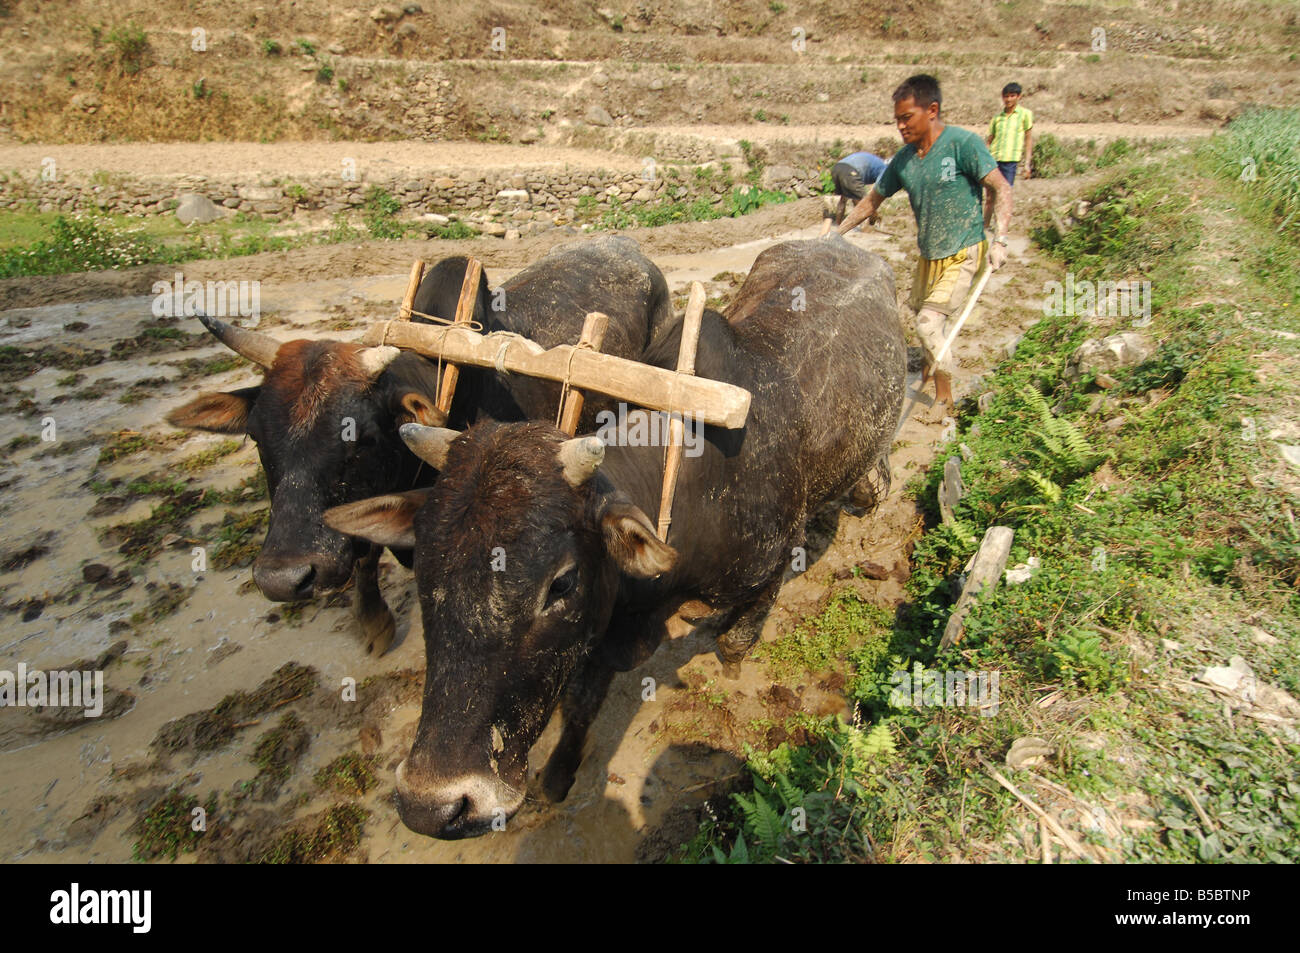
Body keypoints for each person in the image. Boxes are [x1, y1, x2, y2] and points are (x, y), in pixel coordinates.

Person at [837, 74, 1013, 417]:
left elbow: (1001, 187)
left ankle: (945, 398)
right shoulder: (904, 160)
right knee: (921, 315)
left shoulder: (963, 144)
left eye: (907, 118)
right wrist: (836, 234)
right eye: (897, 120)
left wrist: (1000, 239)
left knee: (929, 324)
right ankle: (935, 373)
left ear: (931, 110)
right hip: (928, 255)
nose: (901, 126)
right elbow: (872, 201)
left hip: (964, 250)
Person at [986, 82, 1034, 187]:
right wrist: (984, 159)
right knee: (991, 192)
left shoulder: (1025, 115)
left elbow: (1028, 139)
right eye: (1006, 96)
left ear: (1019, 96)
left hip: (1010, 160)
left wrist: (1027, 164)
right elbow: (990, 140)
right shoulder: (997, 118)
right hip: (994, 160)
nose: (1008, 99)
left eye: (1012, 96)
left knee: (1006, 190)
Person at [829, 150, 887, 225]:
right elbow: (877, 191)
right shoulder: (884, 169)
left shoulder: (876, 164)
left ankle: (838, 225)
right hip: (850, 170)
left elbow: (855, 195)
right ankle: (866, 226)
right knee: (865, 202)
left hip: (837, 168)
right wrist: (874, 213)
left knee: (843, 200)